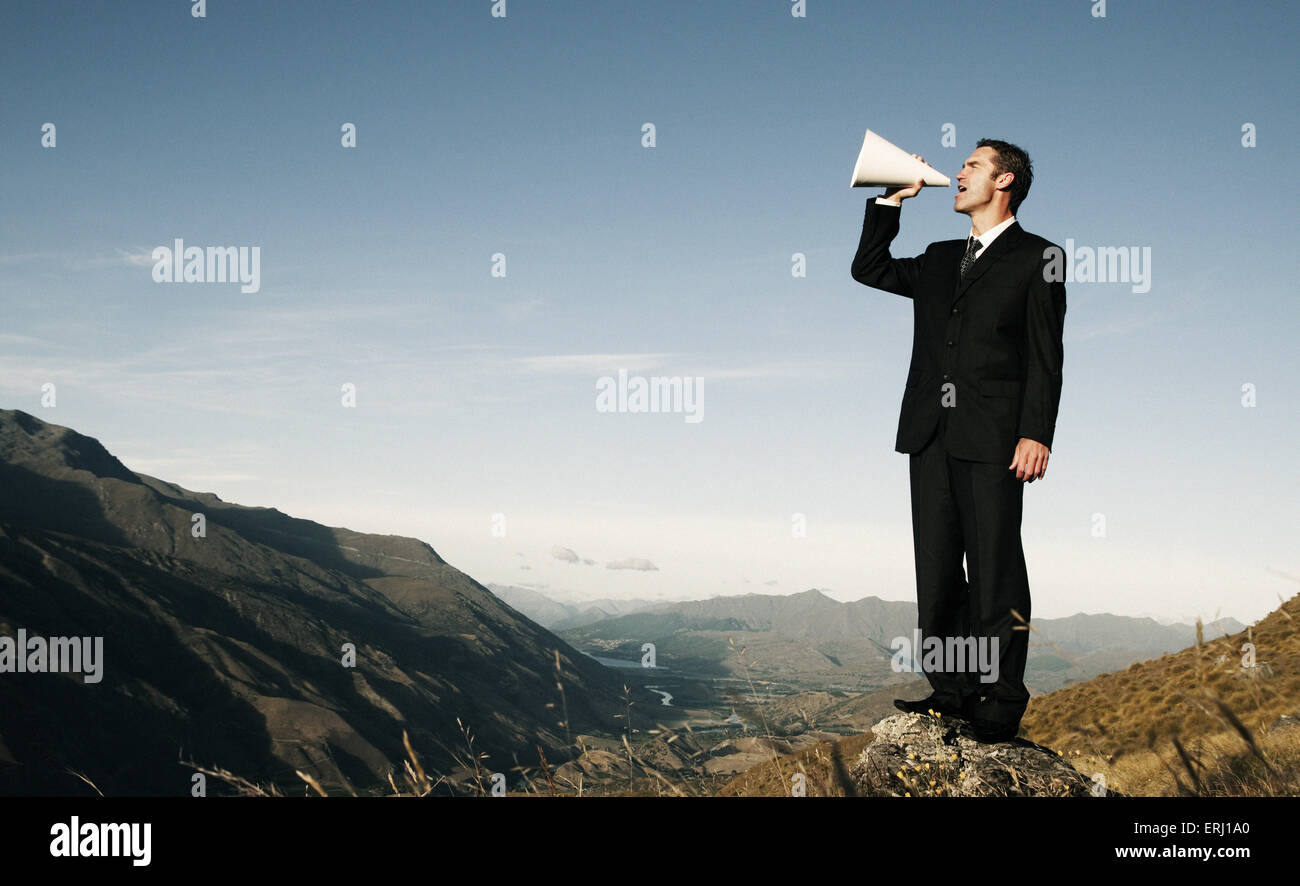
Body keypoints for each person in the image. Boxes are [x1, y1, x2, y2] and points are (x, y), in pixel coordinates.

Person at [850, 139, 1066, 743]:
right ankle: (952, 690)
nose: (959, 172)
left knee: (996, 570)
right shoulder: (941, 257)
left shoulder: (1040, 256)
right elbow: (868, 268)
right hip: (929, 433)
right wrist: (890, 201)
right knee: (938, 569)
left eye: (973, 165)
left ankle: (1001, 700)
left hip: (997, 437)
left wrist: (1036, 432)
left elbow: (1047, 356)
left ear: (1006, 180)